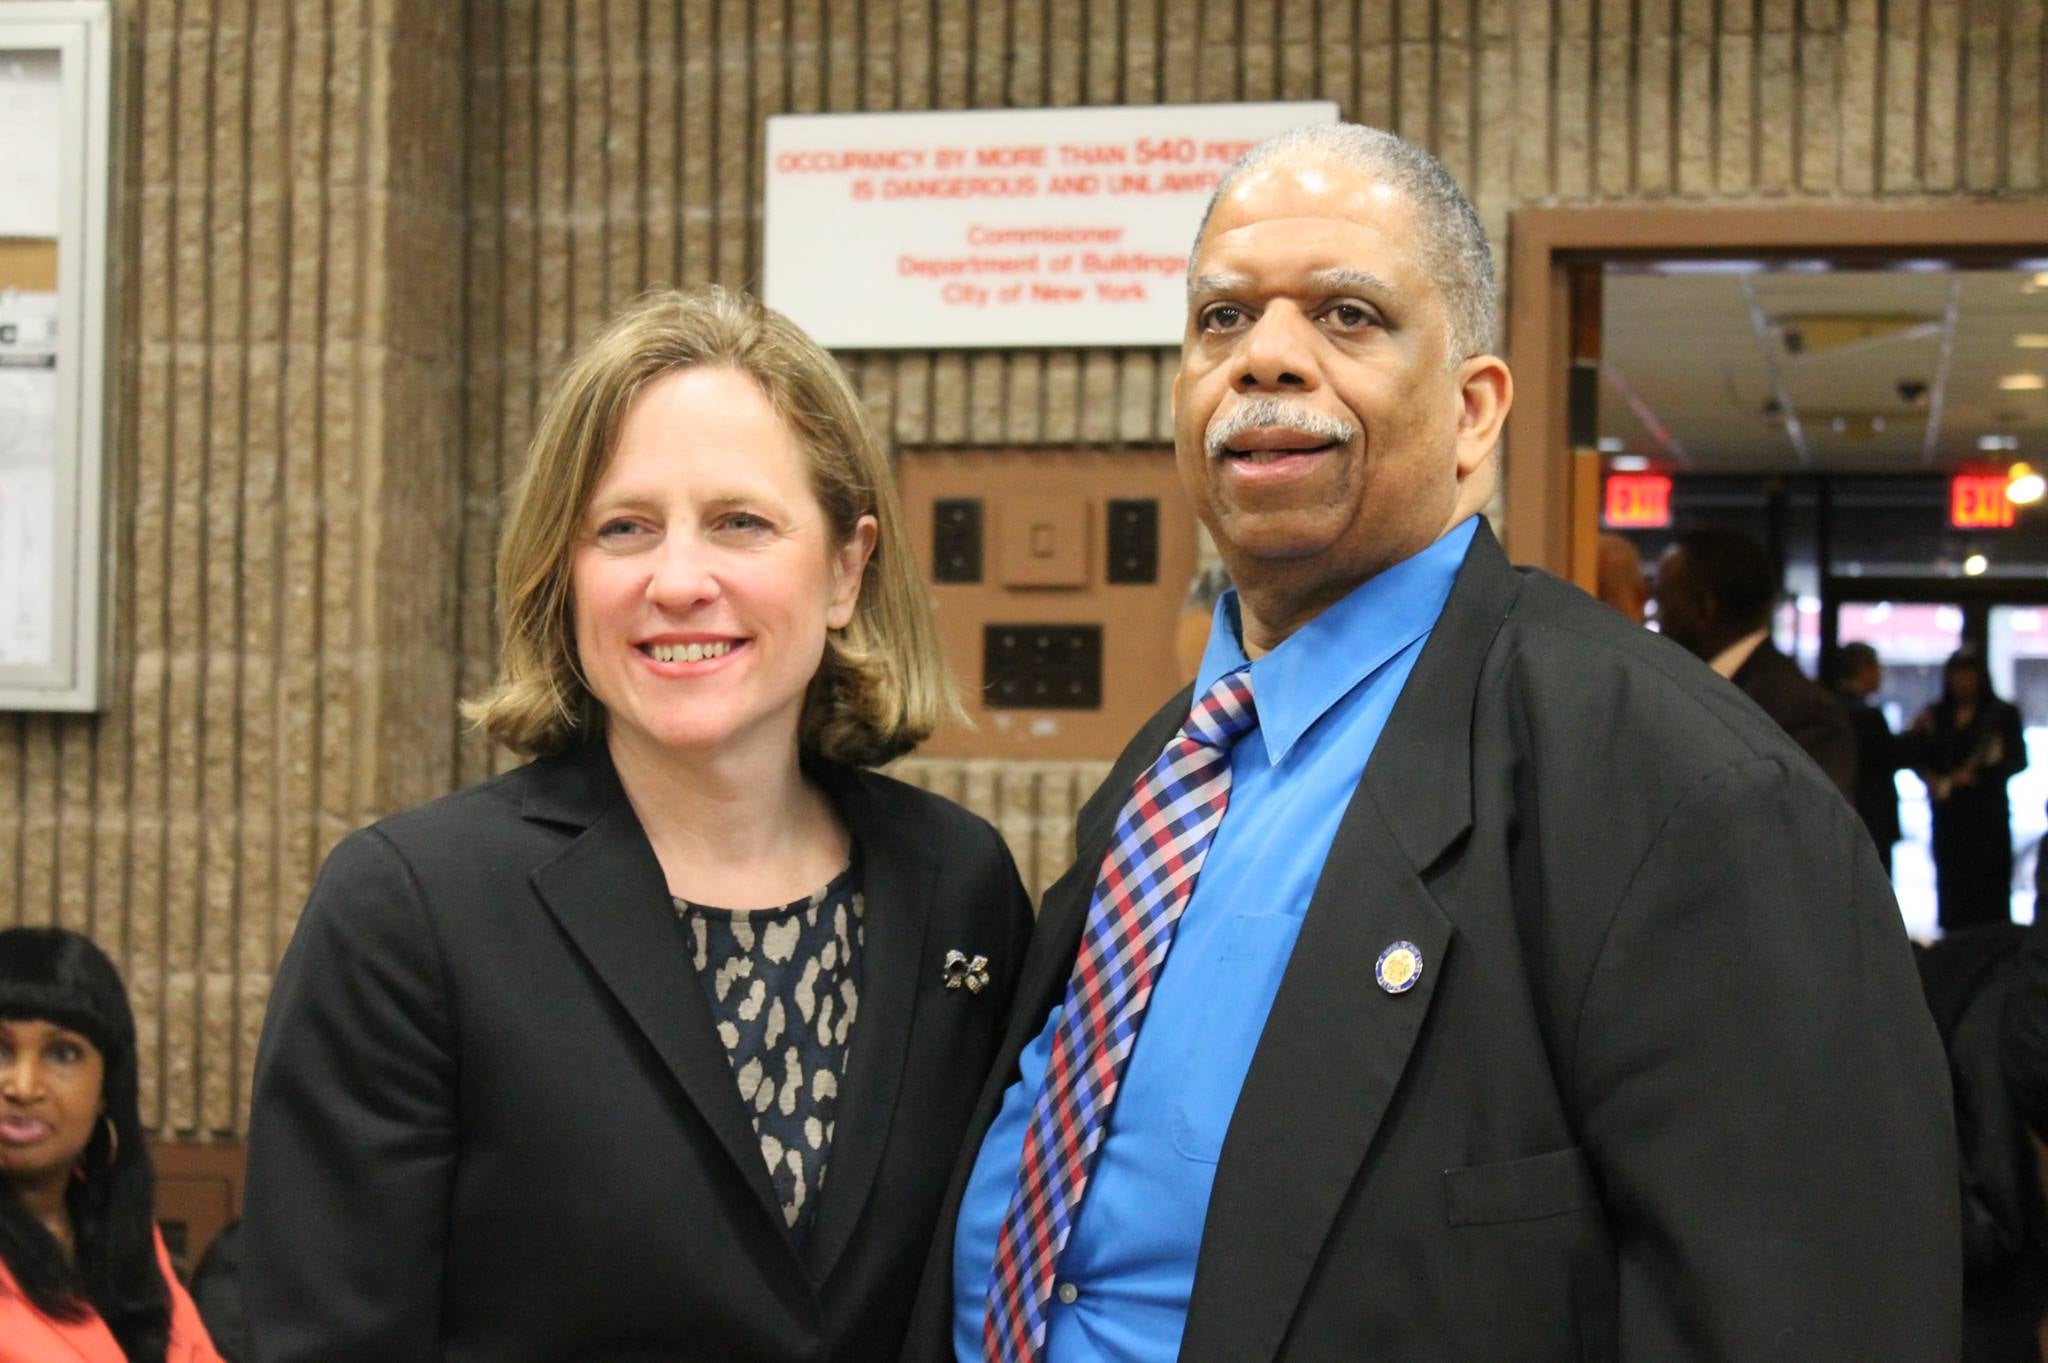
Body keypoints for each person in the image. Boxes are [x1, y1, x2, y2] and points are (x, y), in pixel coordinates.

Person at [906, 123, 1956, 1361]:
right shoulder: (1165, 771)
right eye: (1220, 319)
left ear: (1472, 411)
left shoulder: (1686, 790)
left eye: (1346, 315)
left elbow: (1807, 1312)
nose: (1268, 358)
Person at [243, 286, 1035, 1361]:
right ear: (563, 574)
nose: (676, 580)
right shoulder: (411, 909)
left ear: (847, 567)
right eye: (623, 528)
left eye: (739, 522)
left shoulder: (957, 886)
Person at [0, 926, 226, 1363]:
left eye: (62, 1054)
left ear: (107, 1088)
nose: (24, 1087)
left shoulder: (118, 1226)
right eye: (0, 1050)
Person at [1651, 527, 1857, 802]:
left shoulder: (1801, 711)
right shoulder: (1707, 689)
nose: (1654, 618)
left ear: (1702, 608)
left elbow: (1806, 832)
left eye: (1661, 601)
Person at [1914, 649, 2029, 932]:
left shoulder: (2000, 714)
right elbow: (1917, 754)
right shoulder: (1938, 715)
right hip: (1949, 815)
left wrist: (1982, 773)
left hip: (1986, 815)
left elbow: (2016, 759)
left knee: (1987, 892)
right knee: (1953, 889)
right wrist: (1932, 777)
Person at [1836, 640, 1905, 875]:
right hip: (1872, 816)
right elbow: (1889, 756)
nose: (1880, 674)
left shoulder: (1830, 707)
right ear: (1864, 669)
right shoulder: (1867, 716)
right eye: (1877, 667)